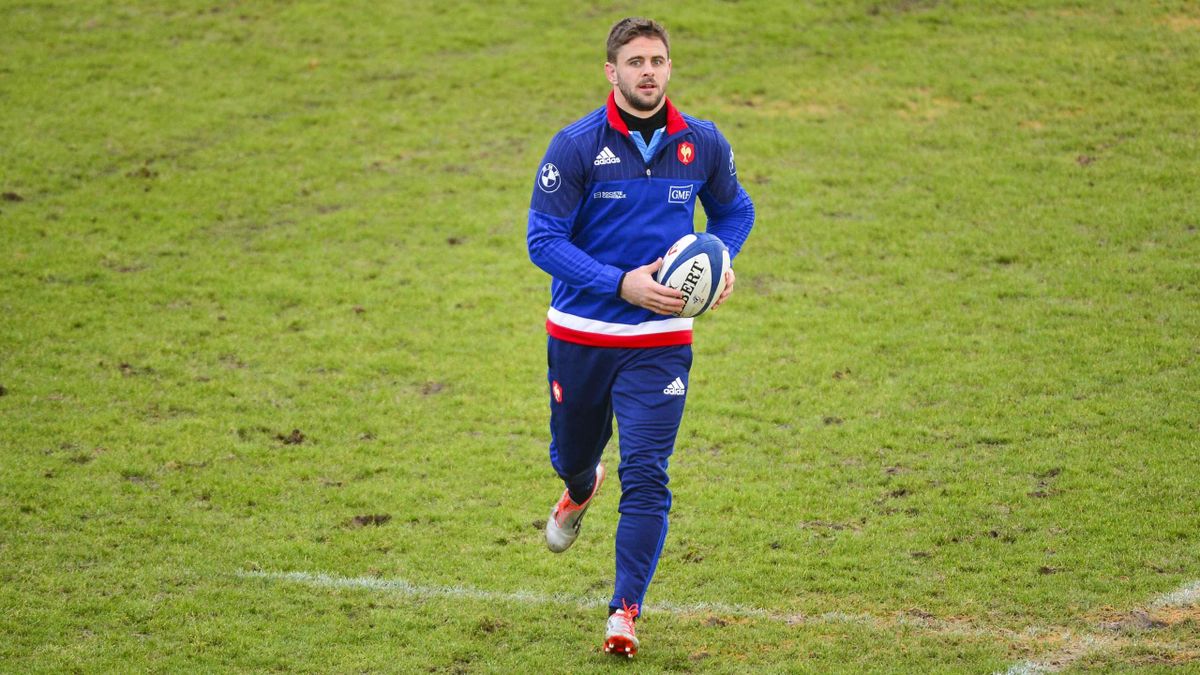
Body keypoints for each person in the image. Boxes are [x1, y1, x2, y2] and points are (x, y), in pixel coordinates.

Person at [526, 17, 755, 658]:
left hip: (662, 340)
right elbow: (542, 241)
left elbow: (736, 210)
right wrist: (618, 284)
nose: (647, 71)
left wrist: (723, 259)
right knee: (571, 455)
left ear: (669, 68)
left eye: (657, 60)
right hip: (581, 334)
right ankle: (578, 486)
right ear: (612, 72)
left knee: (649, 473)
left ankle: (624, 611)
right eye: (635, 62)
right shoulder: (575, 147)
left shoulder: (701, 142)